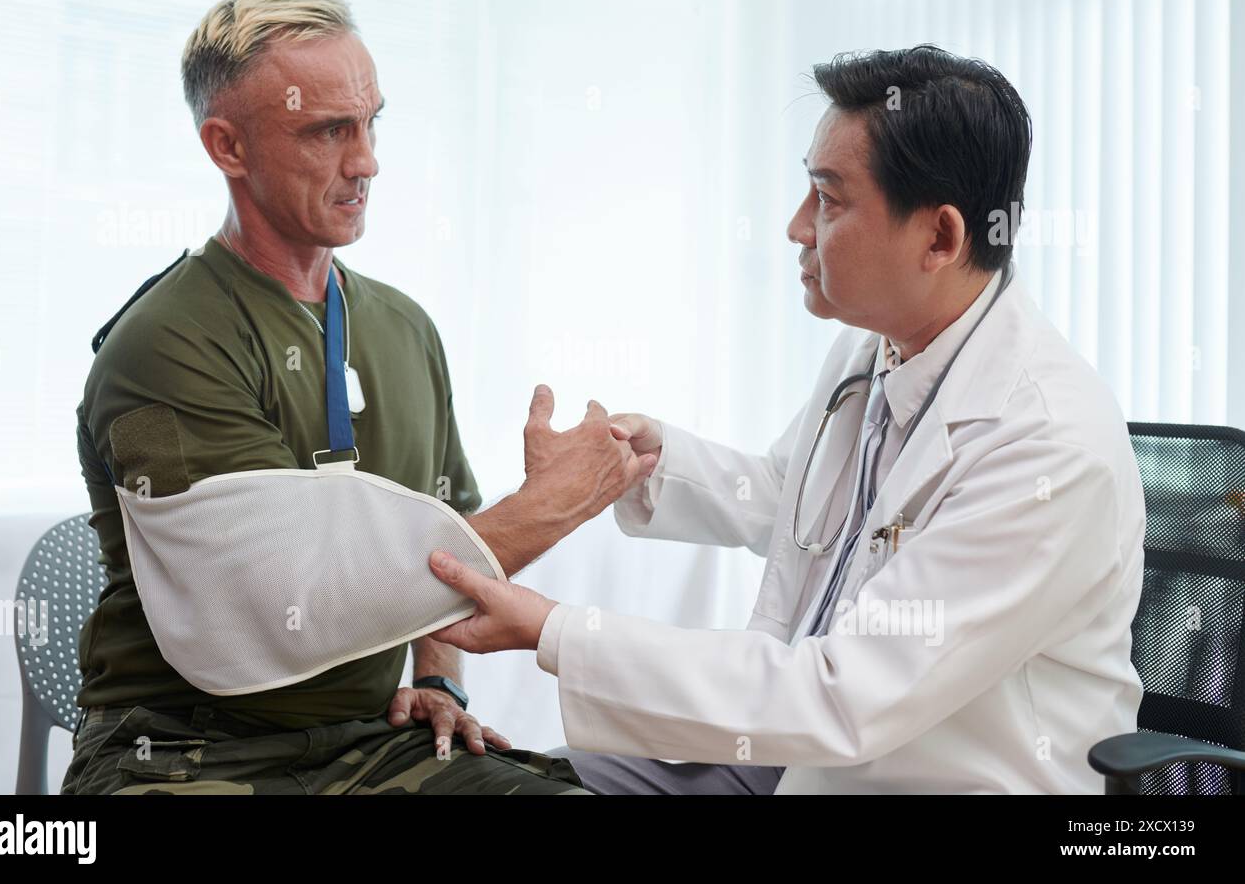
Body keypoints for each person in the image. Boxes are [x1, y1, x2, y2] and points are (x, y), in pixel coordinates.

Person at [427, 45, 1147, 794]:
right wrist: (642, 460)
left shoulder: (1047, 449)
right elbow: (790, 501)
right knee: (511, 783)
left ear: (940, 238)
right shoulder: (877, 349)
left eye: (829, 200)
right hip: (792, 755)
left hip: (917, 774)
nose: (797, 227)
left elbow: (843, 695)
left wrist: (553, 630)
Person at [62, 0, 652, 795]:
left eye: (372, 122)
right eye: (327, 131)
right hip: (183, 754)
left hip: (368, 741)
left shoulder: (404, 329)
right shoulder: (158, 349)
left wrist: (438, 680)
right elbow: (272, 613)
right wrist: (550, 506)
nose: (367, 159)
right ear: (227, 147)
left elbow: (446, 539)